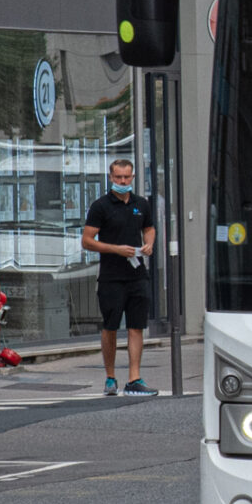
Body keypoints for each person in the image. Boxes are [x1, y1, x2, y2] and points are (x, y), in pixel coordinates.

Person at [82, 158, 157, 394]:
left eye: (126, 177)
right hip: (111, 277)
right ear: (111, 177)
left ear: (133, 177)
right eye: (118, 177)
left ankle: (134, 377)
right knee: (111, 326)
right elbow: (86, 241)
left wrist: (149, 244)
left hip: (137, 274)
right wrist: (116, 249)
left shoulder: (141, 204)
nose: (122, 181)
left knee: (136, 326)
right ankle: (111, 377)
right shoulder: (101, 206)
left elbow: (149, 228)